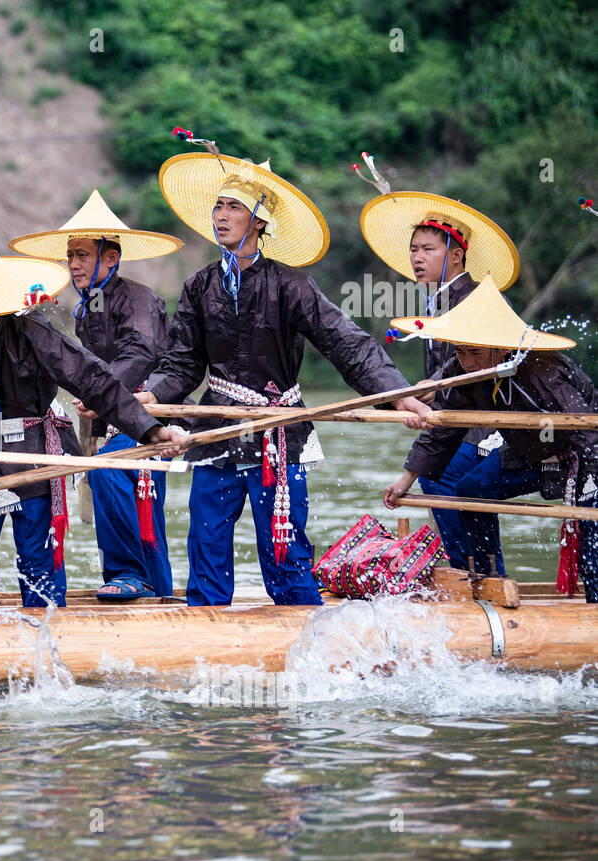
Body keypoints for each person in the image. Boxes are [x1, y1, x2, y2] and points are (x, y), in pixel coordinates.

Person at [141, 150, 429, 606]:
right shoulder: (198, 286)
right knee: (206, 538)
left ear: (259, 221)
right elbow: (181, 363)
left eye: (234, 207)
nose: (221, 216)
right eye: (218, 206)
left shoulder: (292, 286)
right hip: (216, 431)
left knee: (284, 547)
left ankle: (299, 621)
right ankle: (206, 622)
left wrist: (398, 396)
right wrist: (151, 395)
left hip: (280, 433)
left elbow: (346, 344)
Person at [0, 226, 176, 609]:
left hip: (32, 455)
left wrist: (149, 428)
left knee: (40, 569)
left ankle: (47, 645)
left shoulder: (32, 331)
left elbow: (92, 379)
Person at [10, 187, 183, 601]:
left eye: (82, 255)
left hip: (151, 414)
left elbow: (140, 354)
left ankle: (131, 576)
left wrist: (103, 395)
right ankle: (155, 591)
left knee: (110, 472)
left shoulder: (139, 298)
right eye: (70, 256)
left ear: (111, 257)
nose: (73, 264)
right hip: (113, 416)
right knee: (131, 497)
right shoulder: (85, 308)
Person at [383, 275, 597, 598]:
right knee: (472, 489)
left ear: (500, 345)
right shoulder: (463, 370)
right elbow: (447, 427)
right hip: (527, 452)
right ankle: (488, 578)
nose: (468, 362)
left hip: (582, 458)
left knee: (591, 546)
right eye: (460, 352)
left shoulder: (542, 371)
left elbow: (586, 430)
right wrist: (406, 480)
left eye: (475, 353)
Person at [361, 187, 522, 574]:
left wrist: (425, 393)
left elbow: (460, 373)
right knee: (440, 475)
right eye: (414, 249)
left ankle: (476, 570)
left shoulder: (472, 300)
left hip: (491, 418)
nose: (417, 257)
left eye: (428, 249)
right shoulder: (440, 301)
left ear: (455, 254)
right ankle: (474, 567)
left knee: (442, 474)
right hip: (459, 415)